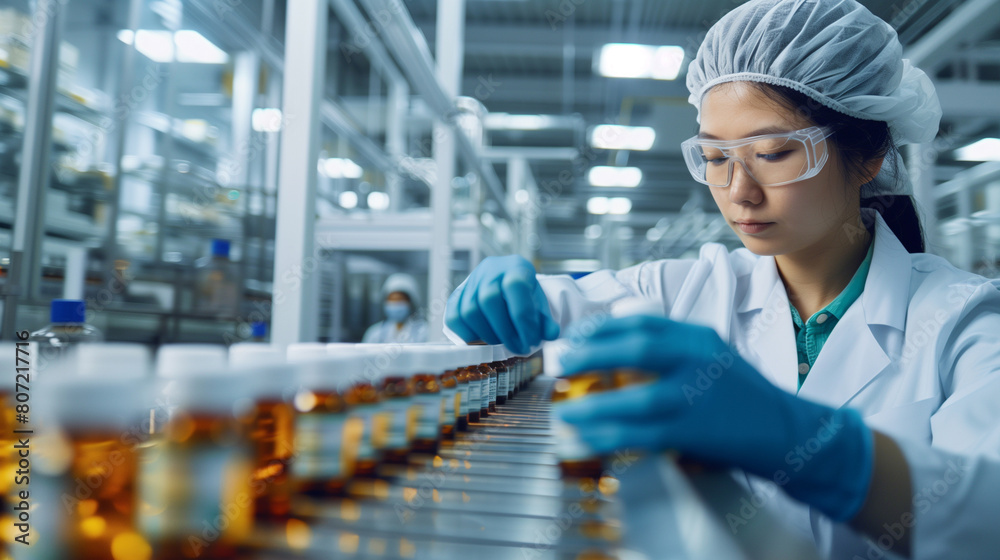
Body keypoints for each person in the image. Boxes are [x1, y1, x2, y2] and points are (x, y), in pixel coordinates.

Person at [444, 1, 1000, 559]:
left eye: (774, 154)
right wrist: (495, 301)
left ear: (870, 155)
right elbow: (518, 322)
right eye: (714, 157)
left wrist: (810, 443)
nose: (739, 192)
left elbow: (989, 515)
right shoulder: (681, 292)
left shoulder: (961, 318)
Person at [362, 273, 428, 343]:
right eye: (391, 300)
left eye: (400, 300)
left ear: (411, 303)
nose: (395, 304)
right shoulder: (375, 333)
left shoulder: (424, 332)